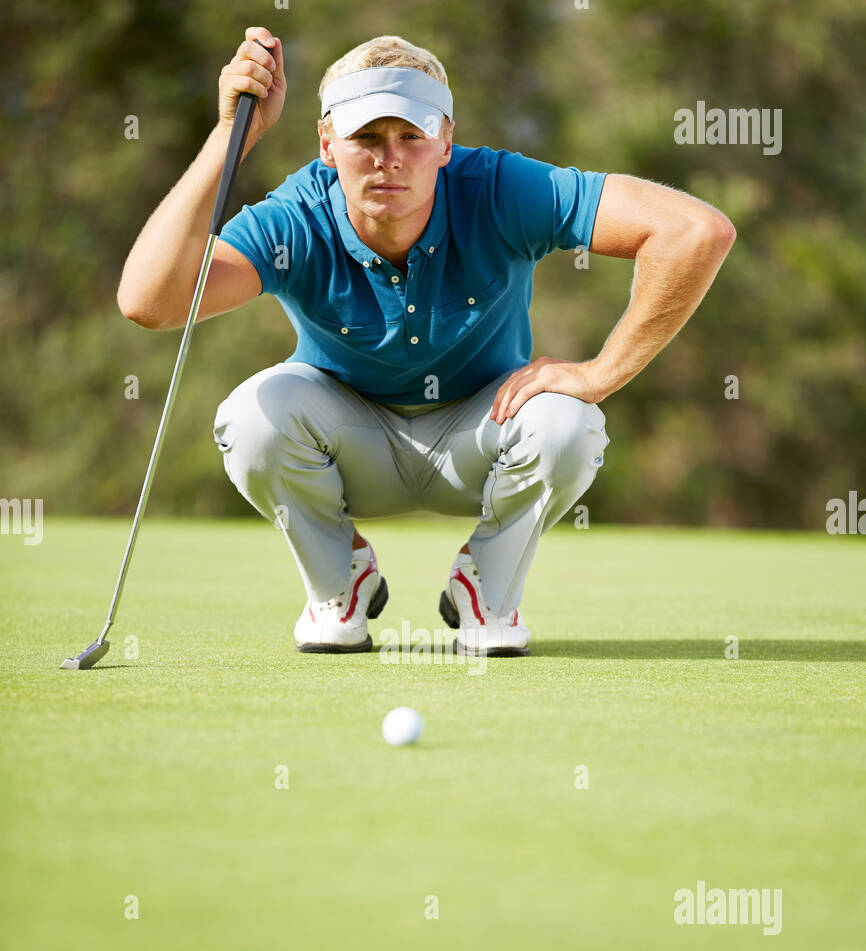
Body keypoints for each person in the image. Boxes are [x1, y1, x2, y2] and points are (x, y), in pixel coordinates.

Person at [118, 27, 735, 657]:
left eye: (411, 135)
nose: (390, 158)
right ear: (328, 144)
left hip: (481, 438)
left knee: (569, 423)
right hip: (348, 447)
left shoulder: (499, 188)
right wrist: (232, 137)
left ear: (444, 142)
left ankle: (486, 594)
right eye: (366, 137)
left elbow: (694, 231)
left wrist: (601, 374)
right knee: (254, 417)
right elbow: (149, 302)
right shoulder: (297, 216)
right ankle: (340, 585)